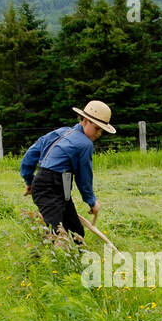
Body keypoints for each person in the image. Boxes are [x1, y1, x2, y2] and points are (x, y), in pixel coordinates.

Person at [20, 100, 115, 242]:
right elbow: (84, 177)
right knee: (54, 233)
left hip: (59, 183)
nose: (99, 133)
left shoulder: (61, 132)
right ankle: (38, 259)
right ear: (85, 120)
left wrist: (30, 180)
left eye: (102, 130)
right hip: (49, 186)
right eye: (97, 128)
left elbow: (29, 156)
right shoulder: (85, 144)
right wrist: (92, 201)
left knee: (76, 232)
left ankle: (76, 260)